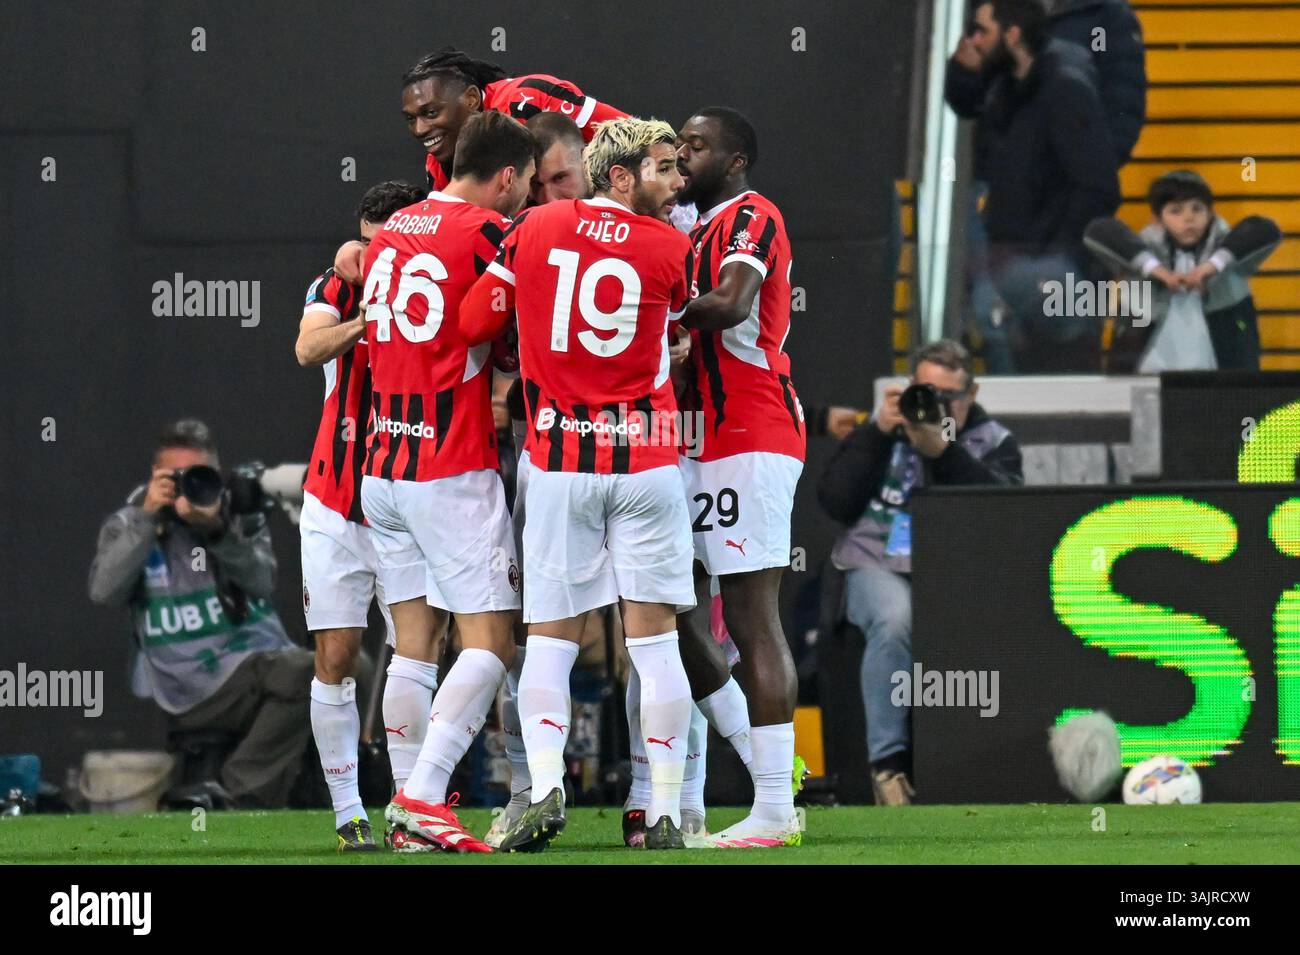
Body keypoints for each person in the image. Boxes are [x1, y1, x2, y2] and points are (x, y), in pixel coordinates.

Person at [459, 115, 697, 851]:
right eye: (663, 168)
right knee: (655, 644)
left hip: (560, 459)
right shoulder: (672, 246)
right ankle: (662, 809)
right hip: (648, 457)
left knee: (551, 641)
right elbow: (674, 329)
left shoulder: (531, 228)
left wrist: (524, 331)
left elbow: (472, 320)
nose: (677, 181)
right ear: (619, 175)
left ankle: (546, 786)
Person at [356, 112, 535, 853]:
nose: (524, 198)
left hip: (381, 466)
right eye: (524, 186)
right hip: (448, 466)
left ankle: (406, 812)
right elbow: (480, 327)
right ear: (505, 177)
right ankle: (424, 796)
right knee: (491, 641)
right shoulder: (492, 234)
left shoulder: (392, 230)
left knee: (413, 648)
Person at [670, 107, 806, 849]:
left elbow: (731, 305)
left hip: (748, 431)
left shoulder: (753, 213)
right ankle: (765, 766)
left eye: (698, 145)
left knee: (751, 614)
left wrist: (651, 319)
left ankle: (774, 810)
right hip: (691, 440)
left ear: (739, 157)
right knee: (659, 608)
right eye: (679, 145)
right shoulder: (684, 227)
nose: (685, 155)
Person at [817, 341, 1023, 804]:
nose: (938, 404)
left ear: (972, 392)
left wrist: (942, 452)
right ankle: (886, 769)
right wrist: (875, 432)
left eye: (950, 395)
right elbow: (834, 501)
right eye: (926, 391)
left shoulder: (995, 441)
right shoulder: (881, 431)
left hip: (955, 573)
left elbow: (1005, 515)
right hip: (873, 565)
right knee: (895, 618)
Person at [294, 179, 424, 851]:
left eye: (387, 245)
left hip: (412, 502)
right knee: (337, 654)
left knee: (411, 656)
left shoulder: (438, 290)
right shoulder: (339, 286)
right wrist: (367, 323)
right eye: (366, 244)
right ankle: (350, 812)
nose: (375, 257)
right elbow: (308, 349)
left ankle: (410, 807)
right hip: (338, 503)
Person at [88, 420, 313, 807]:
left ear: (217, 473)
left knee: (346, 664)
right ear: (156, 477)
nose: (188, 486)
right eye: (175, 478)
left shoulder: (237, 512)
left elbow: (262, 583)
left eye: (199, 475)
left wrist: (217, 532)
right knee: (309, 670)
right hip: (190, 683)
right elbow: (104, 592)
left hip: (255, 661)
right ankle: (239, 796)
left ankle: (274, 795)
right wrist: (147, 520)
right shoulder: (130, 522)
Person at [332, 48, 629, 284]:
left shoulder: (528, 99)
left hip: (609, 255)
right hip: (542, 276)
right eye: (411, 118)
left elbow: (638, 141)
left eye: (431, 112)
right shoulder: (438, 164)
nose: (421, 129)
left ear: (472, 98)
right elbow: (434, 240)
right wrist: (368, 248)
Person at [949, 0, 1121, 373]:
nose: (972, 40)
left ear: (1011, 35)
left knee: (1063, 397)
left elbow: (1098, 186)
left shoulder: (1064, 90)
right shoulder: (1005, 94)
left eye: (982, 31)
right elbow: (962, 100)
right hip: (1016, 266)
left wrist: (1052, 255)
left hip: (1051, 272)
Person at [1083, 169, 1282, 372]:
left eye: (1197, 209)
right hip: (1147, 377)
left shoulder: (1230, 251)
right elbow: (1098, 230)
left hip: (1221, 381)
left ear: (1211, 213)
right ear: (1158, 220)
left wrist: (1211, 267)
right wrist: (1158, 271)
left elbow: (1266, 229)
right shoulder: (1140, 253)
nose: (1189, 218)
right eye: (1176, 211)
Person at [948, 0, 1146, 166]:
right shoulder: (990, 8)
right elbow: (965, 103)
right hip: (999, 176)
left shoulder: (1103, 16)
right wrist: (965, 71)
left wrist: (1091, 169)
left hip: (1067, 181)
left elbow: (1122, 104)